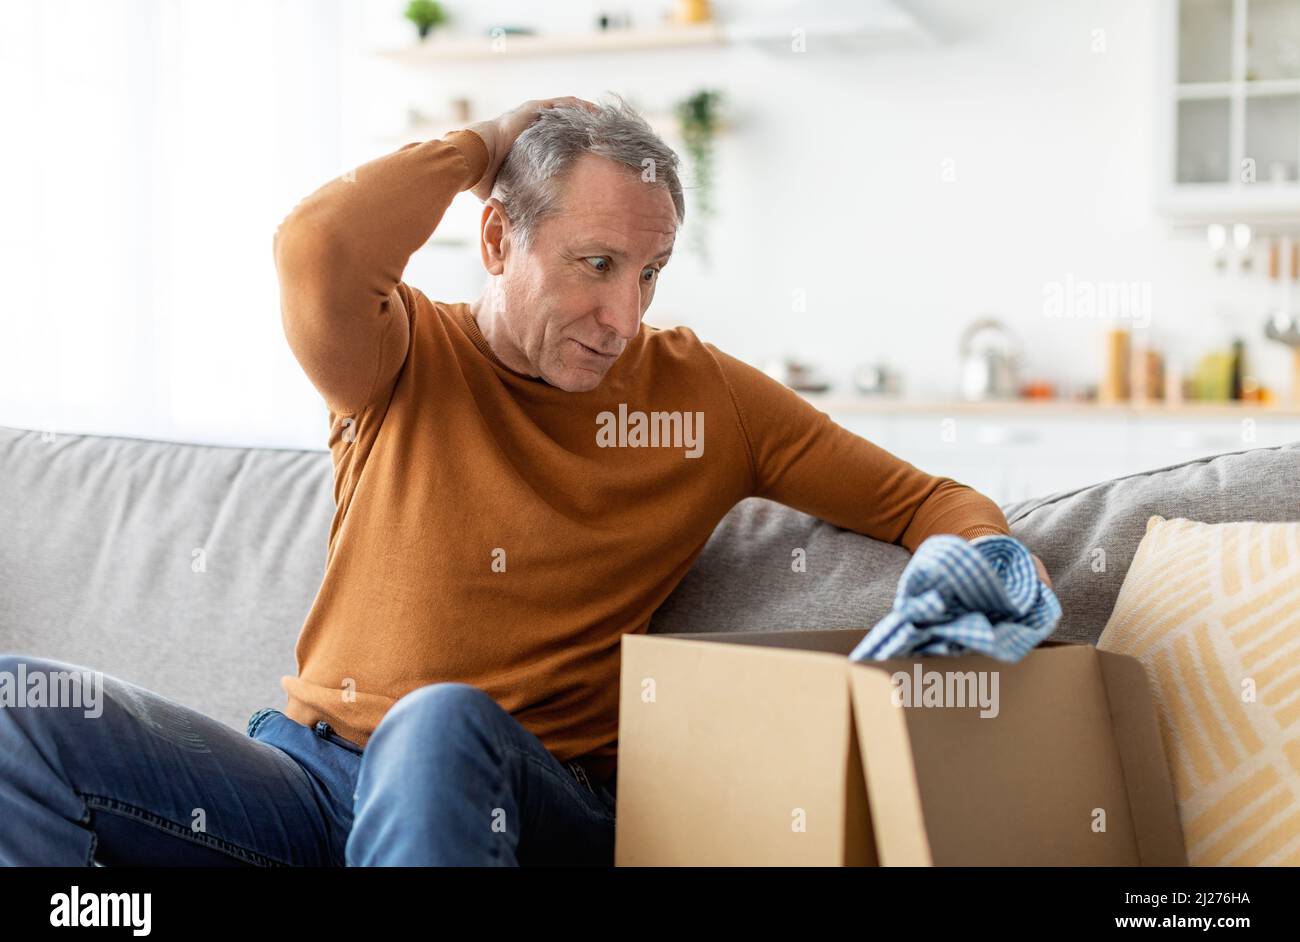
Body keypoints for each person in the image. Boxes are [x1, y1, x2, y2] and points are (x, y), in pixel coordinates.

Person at [0, 93, 1049, 867]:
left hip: (506, 792)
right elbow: (316, 246)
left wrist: (976, 564)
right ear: (497, 238)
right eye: (596, 264)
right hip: (306, 784)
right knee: (17, 704)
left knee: (435, 722)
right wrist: (478, 145)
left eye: (650, 272)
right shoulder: (399, 355)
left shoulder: (705, 400)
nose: (624, 315)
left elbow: (926, 501)